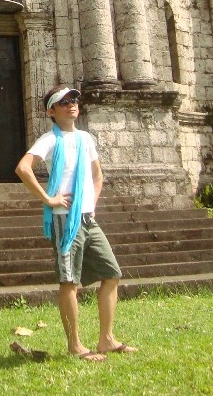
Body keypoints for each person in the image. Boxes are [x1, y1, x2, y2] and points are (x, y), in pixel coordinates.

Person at [15, 84, 137, 362]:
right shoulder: (49, 140)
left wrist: (90, 204)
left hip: (87, 218)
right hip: (64, 221)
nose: (72, 104)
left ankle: (106, 339)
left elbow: (97, 176)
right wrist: (49, 198)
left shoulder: (85, 138)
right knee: (69, 281)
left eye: (75, 100)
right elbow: (23, 168)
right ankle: (76, 345)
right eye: (65, 101)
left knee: (111, 272)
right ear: (52, 111)